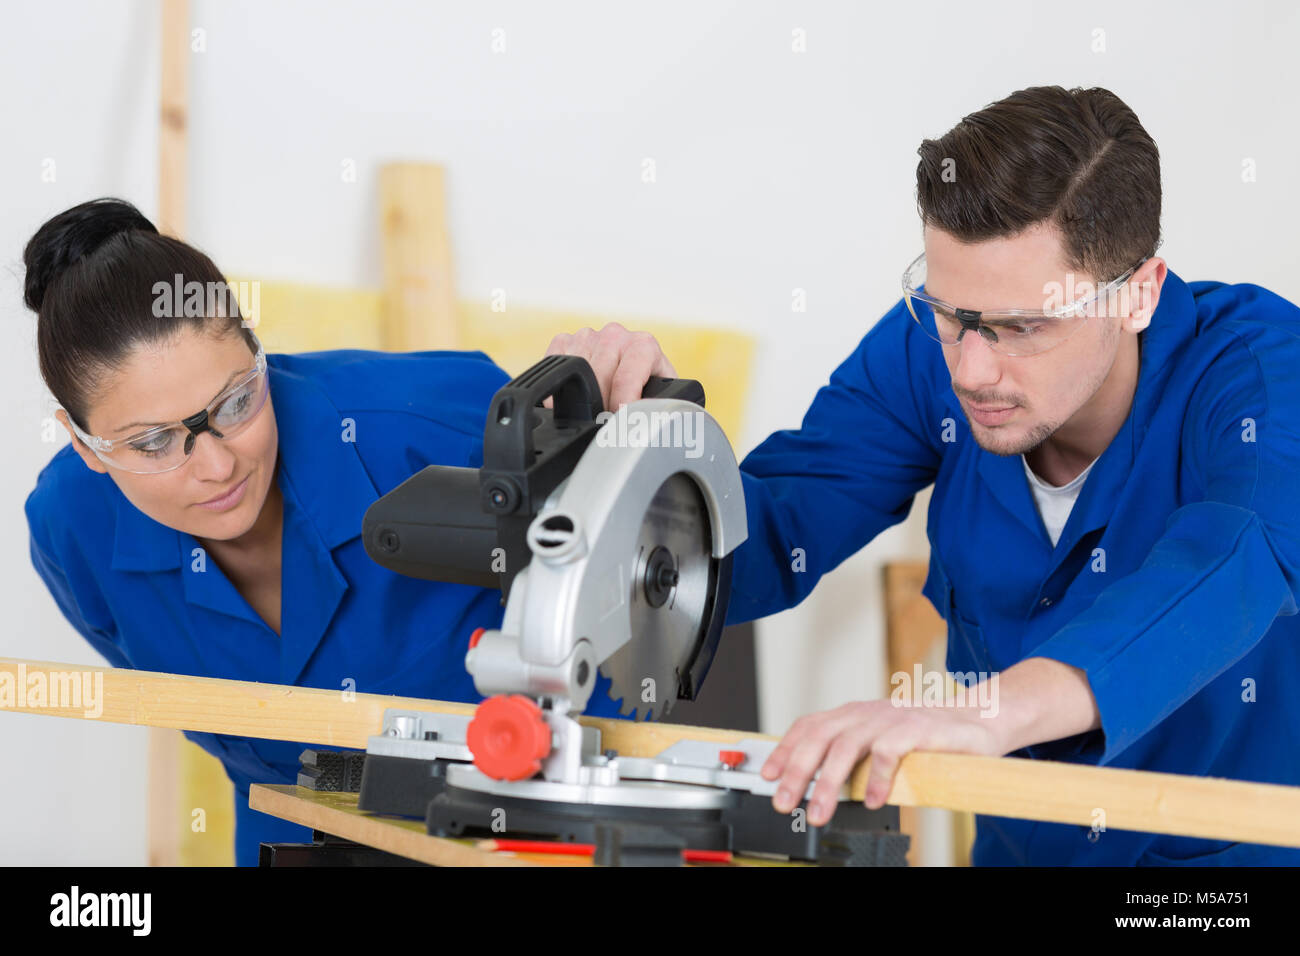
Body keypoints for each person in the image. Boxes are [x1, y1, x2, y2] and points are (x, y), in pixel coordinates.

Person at [564, 85, 1300, 865]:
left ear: (1139, 294)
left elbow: (1230, 565)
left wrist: (984, 715)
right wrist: (643, 458)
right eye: (951, 314)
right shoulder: (927, 351)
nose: (972, 369)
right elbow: (776, 530)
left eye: (1023, 327)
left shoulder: (1259, 376)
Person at [20, 198, 672, 866]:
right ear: (83, 444)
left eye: (237, 402)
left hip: (517, 840)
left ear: (255, 350)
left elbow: (699, 567)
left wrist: (644, 449)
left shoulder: (431, 428)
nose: (218, 466)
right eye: (154, 442)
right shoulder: (71, 530)